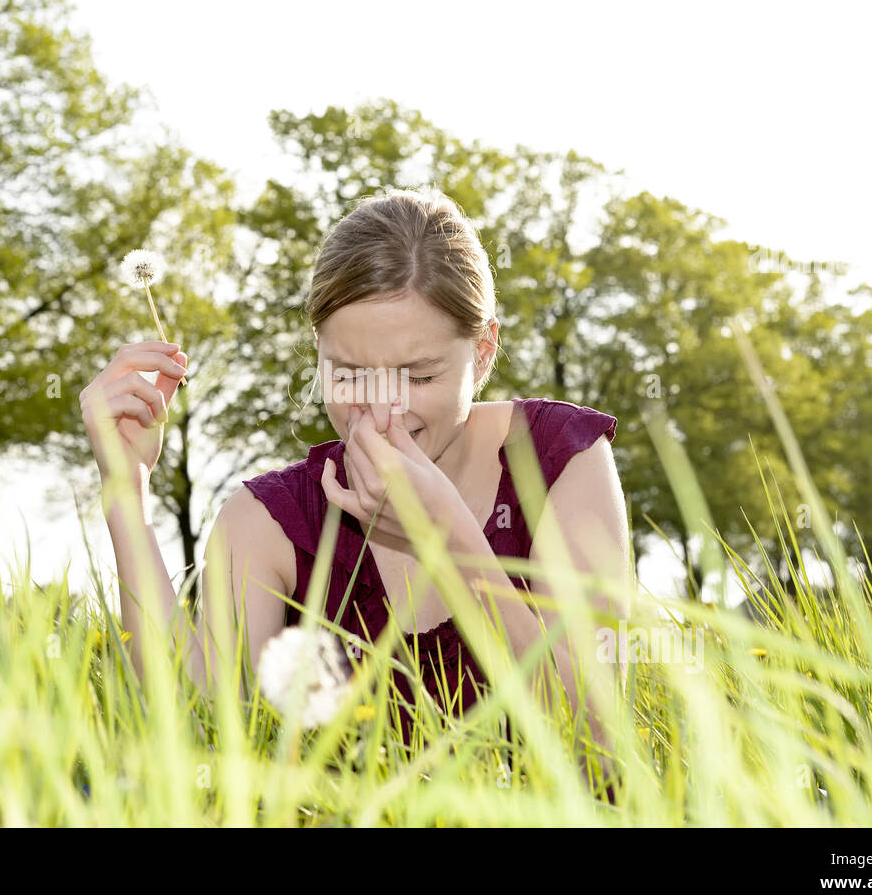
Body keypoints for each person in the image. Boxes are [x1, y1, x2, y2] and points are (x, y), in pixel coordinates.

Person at [80, 187, 630, 801]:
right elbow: (198, 735)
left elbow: (599, 752)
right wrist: (125, 490)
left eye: (418, 375)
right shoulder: (270, 521)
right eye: (346, 373)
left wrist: (449, 542)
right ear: (318, 352)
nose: (378, 406)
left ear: (482, 353)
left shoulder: (558, 460)